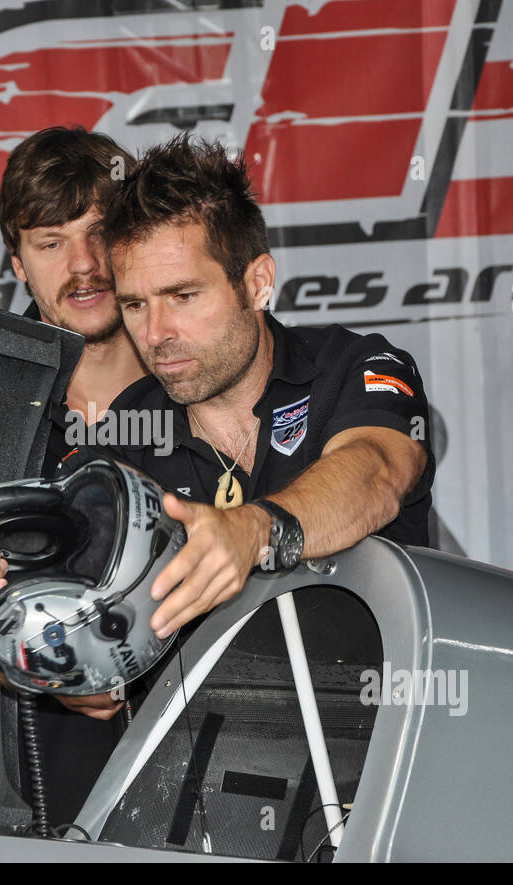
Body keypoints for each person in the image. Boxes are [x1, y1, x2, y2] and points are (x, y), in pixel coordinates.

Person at [95, 134, 434, 641]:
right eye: (135, 305)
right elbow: (73, 635)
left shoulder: (355, 366)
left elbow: (377, 474)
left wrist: (254, 531)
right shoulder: (123, 434)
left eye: (182, 296)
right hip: (198, 721)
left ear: (257, 283)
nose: (155, 334)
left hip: (382, 712)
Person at [0, 127, 144, 821]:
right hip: (44, 803)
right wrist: (39, 663)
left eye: (101, 233)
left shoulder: (210, 379)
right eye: (51, 243)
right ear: (18, 263)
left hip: (226, 786)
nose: (83, 265)